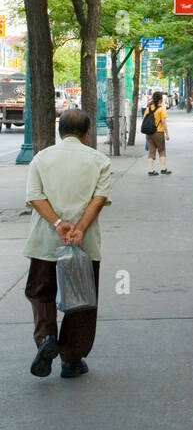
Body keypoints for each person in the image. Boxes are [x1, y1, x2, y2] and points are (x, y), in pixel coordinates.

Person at [23, 108, 111, 380]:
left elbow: (35, 197)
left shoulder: (41, 158)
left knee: (41, 292)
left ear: (60, 131)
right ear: (87, 133)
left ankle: (47, 337)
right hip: (83, 245)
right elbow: (98, 199)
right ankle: (72, 360)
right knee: (82, 299)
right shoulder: (99, 161)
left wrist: (58, 223)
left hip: (45, 243)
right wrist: (79, 228)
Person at [146, 90, 171, 175]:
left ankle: (150, 170)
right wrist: (167, 134)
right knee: (162, 150)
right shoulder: (161, 110)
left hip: (149, 133)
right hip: (158, 132)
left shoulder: (148, 108)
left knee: (151, 151)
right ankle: (163, 169)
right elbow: (164, 123)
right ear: (160, 99)